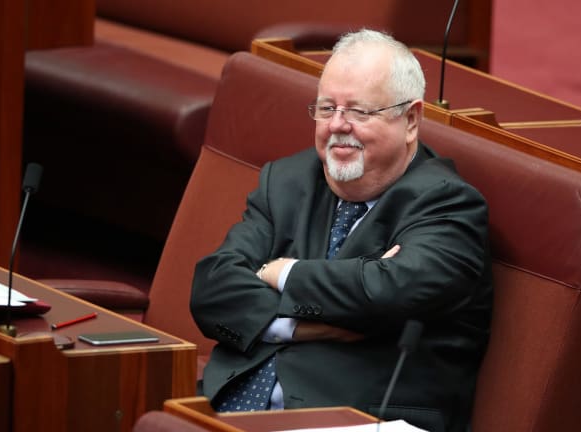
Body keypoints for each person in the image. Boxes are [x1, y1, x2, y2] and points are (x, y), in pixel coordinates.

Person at [190, 29, 492, 432]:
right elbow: (212, 287)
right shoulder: (287, 180)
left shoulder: (448, 204)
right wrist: (299, 326)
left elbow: (391, 290)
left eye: (359, 112)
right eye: (326, 108)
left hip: (358, 419)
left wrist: (282, 272)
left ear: (410, 120)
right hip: (227, 404)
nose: (337, 125)